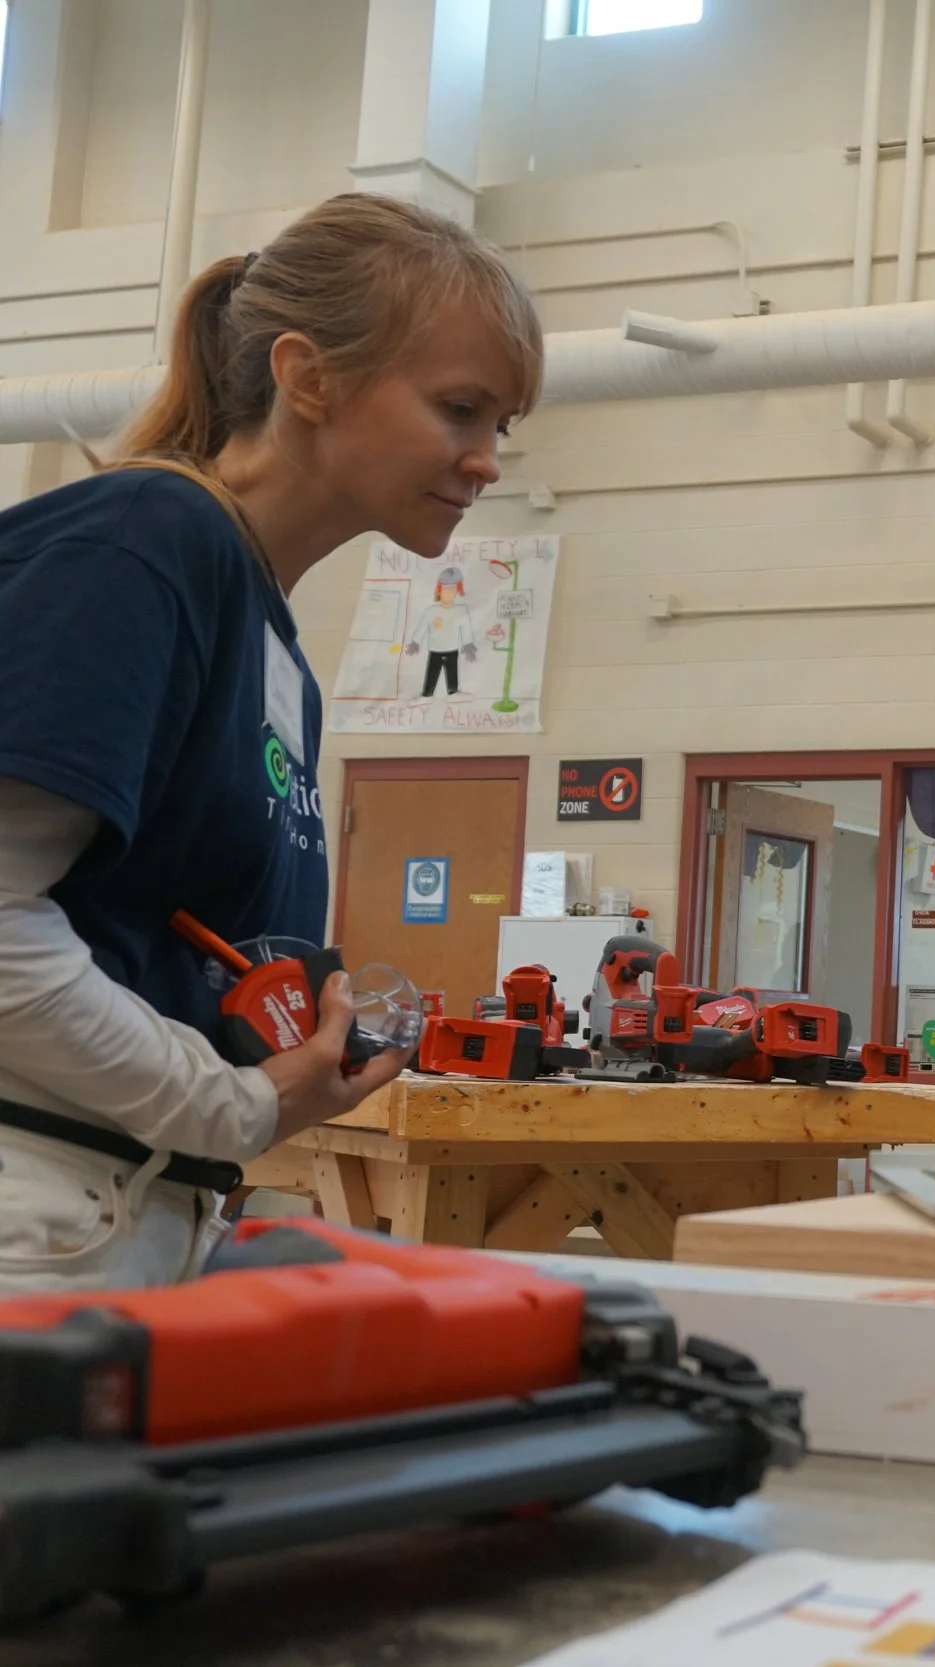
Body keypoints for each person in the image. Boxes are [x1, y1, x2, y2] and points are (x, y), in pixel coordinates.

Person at [0, 193, 542, 1291]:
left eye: (502, 428)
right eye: (459, 410)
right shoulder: (146, 543)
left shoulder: (273, 641)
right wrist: (236, 1100)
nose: (486, 461)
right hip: (42, 1211)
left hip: (135, 1207)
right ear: (308, 377)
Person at [409, 565, 479, 696]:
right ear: (439, 590)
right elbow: (422, 626)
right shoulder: (431, 611)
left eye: (453, 589)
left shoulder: (460, 610)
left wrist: (468, 643)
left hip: (452, 650)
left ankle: (453, 693)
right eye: (446, 589)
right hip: (435, 650)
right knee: (431, 675)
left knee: (452, 676)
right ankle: (427, 694)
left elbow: (466, 628)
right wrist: (415, 641)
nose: (449, 593)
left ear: (458, 590)